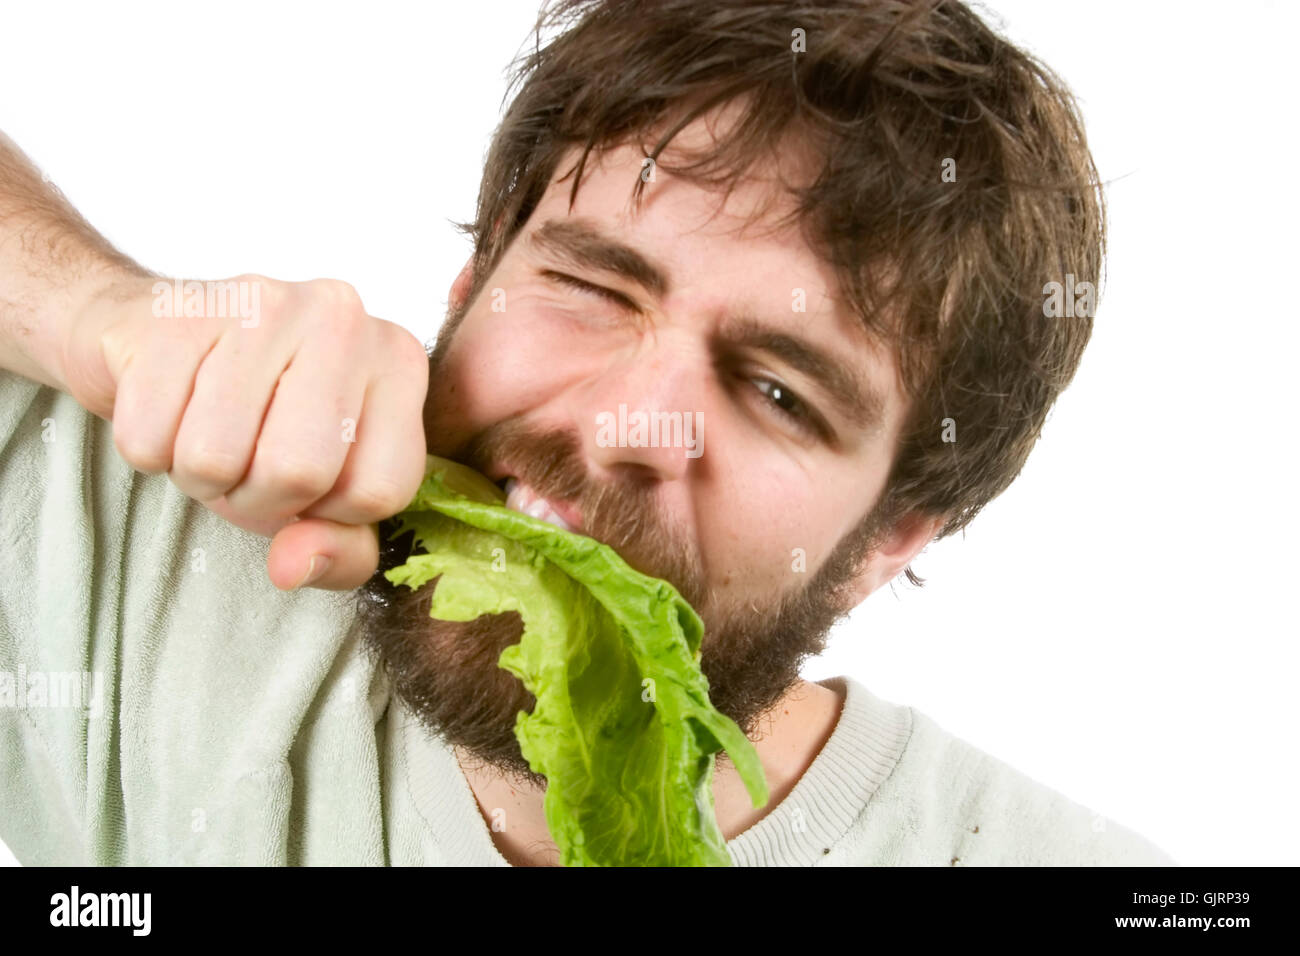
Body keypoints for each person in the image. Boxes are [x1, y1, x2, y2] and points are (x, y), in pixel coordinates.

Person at [0, 0, 1175, 866]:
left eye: (779, 391)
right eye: (595, 288)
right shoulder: (142, 556)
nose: (627, 420)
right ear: (467, 288)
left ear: (886, 538)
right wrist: (96, 312)